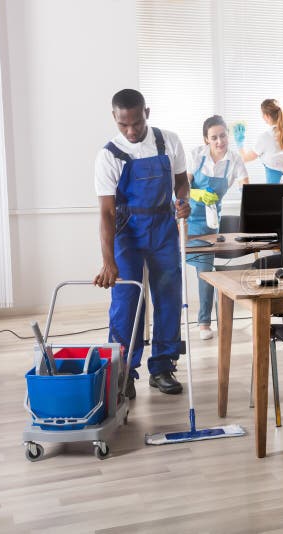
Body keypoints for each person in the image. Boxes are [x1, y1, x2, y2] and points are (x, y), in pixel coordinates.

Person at [93, 89, 190, 399]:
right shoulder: (108, 155)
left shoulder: (169, 141)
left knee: (169, 295)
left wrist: (183, 200)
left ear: (146, 112)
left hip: (163, 227)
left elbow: (181, 182)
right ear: (114, 118)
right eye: (124, 125)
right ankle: (124, 371)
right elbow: (107, 214)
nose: (131, 131)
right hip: (126, 231)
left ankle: (162, 366)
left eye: (136, 122)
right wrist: (109, 262)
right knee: (126, 301)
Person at [186, 115, 250, 340]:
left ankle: (204, 323)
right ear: (206, 139)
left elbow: (246, 187)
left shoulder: (234, 160)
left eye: (223, 135)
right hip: (186, 219)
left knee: (205, 271)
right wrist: (195, 193)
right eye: (214, 137)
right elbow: (182, 187)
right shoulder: (197, 155)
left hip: (209, 223)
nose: (219, 141)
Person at [238, 99, 283, 183]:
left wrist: (240, 143)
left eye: (262, 114)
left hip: (273, 191)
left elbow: (245, 158)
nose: (262, 117)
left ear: (267, 116)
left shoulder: (265, 137)